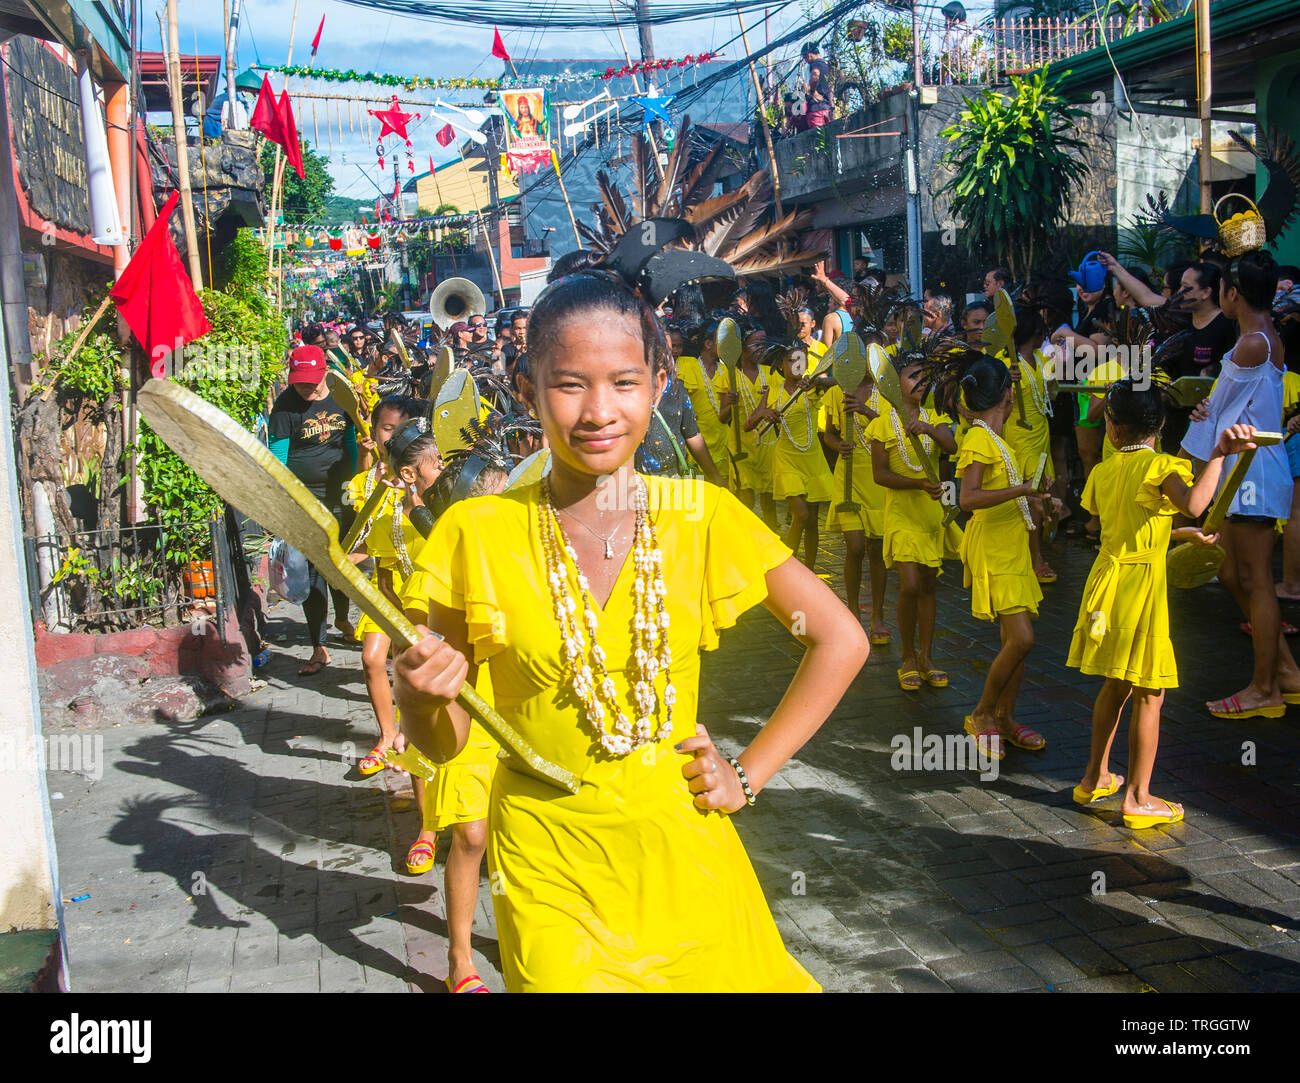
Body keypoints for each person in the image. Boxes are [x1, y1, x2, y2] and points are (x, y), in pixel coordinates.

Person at [392, 266, 869, 992]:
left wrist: (748, 772)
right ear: (527, 389)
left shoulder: (700, 515)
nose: (598, 410)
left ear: (656, 383)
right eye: (569, 383)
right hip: (549, 856)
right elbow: (447, 741)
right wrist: (421, 697)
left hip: (684, 846)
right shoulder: (474, 533)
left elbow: (841, 638)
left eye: (623, 381)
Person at [1070, 378, 1256, 828]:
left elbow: (1116, 525)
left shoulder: (1103, 470)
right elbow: (1195, 503)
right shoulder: (1158, 467)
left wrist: (1172, 535)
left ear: (1112, 428)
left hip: (1105, 584)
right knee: (1151, 692)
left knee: (1116, 684)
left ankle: (1094, 778)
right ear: (1161, 423)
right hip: (1139, 588)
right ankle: (1137, 797)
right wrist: (1218, 454)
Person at [402, 440, 511, 993]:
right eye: (489, 501)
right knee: (470, 835)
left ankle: (518, 933)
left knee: (513, 836)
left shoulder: (527, 553)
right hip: (466, 711)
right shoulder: (440, 563)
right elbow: (416, 633)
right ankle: (460, 957)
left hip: (520, 711)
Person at [1184, 250, 1300, 720]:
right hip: (1243, 468)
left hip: (1252, 469)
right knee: (1232, 574)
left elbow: (1215, 404)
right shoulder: (1262, 336)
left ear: (1232, 293)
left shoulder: (1252, 342)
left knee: (1255, 581)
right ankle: (1287, 672)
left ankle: (1264, 688)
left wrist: (1188, 459)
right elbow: (1220, 406)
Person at [939, 350, 1045, 759]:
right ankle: (983, 714)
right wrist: (1022, 491)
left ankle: (1006, 717)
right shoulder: (981, 438)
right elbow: (968, 499)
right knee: (1022, 638)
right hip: (994, 548)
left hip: (1011, 543)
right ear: (1008, 395)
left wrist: (1035, 502)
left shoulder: (994, 438)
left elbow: (1002, 495)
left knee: (1013, 641)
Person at [868, 351, 959, 692]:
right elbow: (880, 475)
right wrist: (918, 483)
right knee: (909, 585)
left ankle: (926, 656)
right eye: (912, 376)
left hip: (930, 515)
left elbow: (951, 446)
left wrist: (930, 430)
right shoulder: (880, 423)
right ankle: (907, 657)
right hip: (901, 515)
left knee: (928, 584)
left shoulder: (935, 416)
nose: (920, 383)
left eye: (924, 377)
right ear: (894, 382)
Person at [268, 347, 356, 674]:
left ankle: (345, 620)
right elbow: (277, 458)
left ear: (324, 372)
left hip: (341, 493)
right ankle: (319, 646)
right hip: (304, 496)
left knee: (341, 562)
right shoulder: (285, 407)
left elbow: (350, 442)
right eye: (299, 382)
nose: (305, 388)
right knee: (313, 569)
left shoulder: (340, 396)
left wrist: (355, 481)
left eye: (311, 381)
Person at [749, 342, 838, 566]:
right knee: (801, 514)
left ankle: (809, 569)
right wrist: (764, 413)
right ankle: (788, 566)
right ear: (781, 364)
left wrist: (817, 381)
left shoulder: (814, 387)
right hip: (786, 458)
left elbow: (840, 381)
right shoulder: (773, 390)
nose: (796, 366)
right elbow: (748, 425)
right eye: (791, 360)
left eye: (801, 361)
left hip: (813, 459)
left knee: (811, 522)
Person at [822, 359, 890, 644]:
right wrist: (838, 446)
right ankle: (852, 610)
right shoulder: (835, 393)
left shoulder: (886, 392)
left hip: (876, 479)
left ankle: (877, 616)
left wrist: (864, 410)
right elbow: (827, 434)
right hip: (847, 477)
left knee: (877, 549)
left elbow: (893, 427)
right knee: (855, 546)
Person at [725, 325, 780, 530]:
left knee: (769, 501)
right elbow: (722, 417)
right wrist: (730, 403)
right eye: (756, 344)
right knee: (745, 499)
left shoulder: (770, 373)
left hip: (767, 445)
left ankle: (774, 544)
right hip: (740, 447)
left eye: (763, 345)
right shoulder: (730, 374)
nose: (761, 349)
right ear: (742, 346)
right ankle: (744, 541)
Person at [676, 317, 732, 482]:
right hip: (695, 442)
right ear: (708, 344)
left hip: (723, 443)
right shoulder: (687, 365)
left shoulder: (726, 370)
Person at [801, 42, 833, 129]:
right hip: (827, 108)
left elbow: (815, 75)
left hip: (816, 110)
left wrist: (811, 91)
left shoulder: (815, 64)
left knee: (818, 139)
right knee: (830, 138)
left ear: (809, 54)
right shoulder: (825, 64)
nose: (805, 61)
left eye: (804, 58)